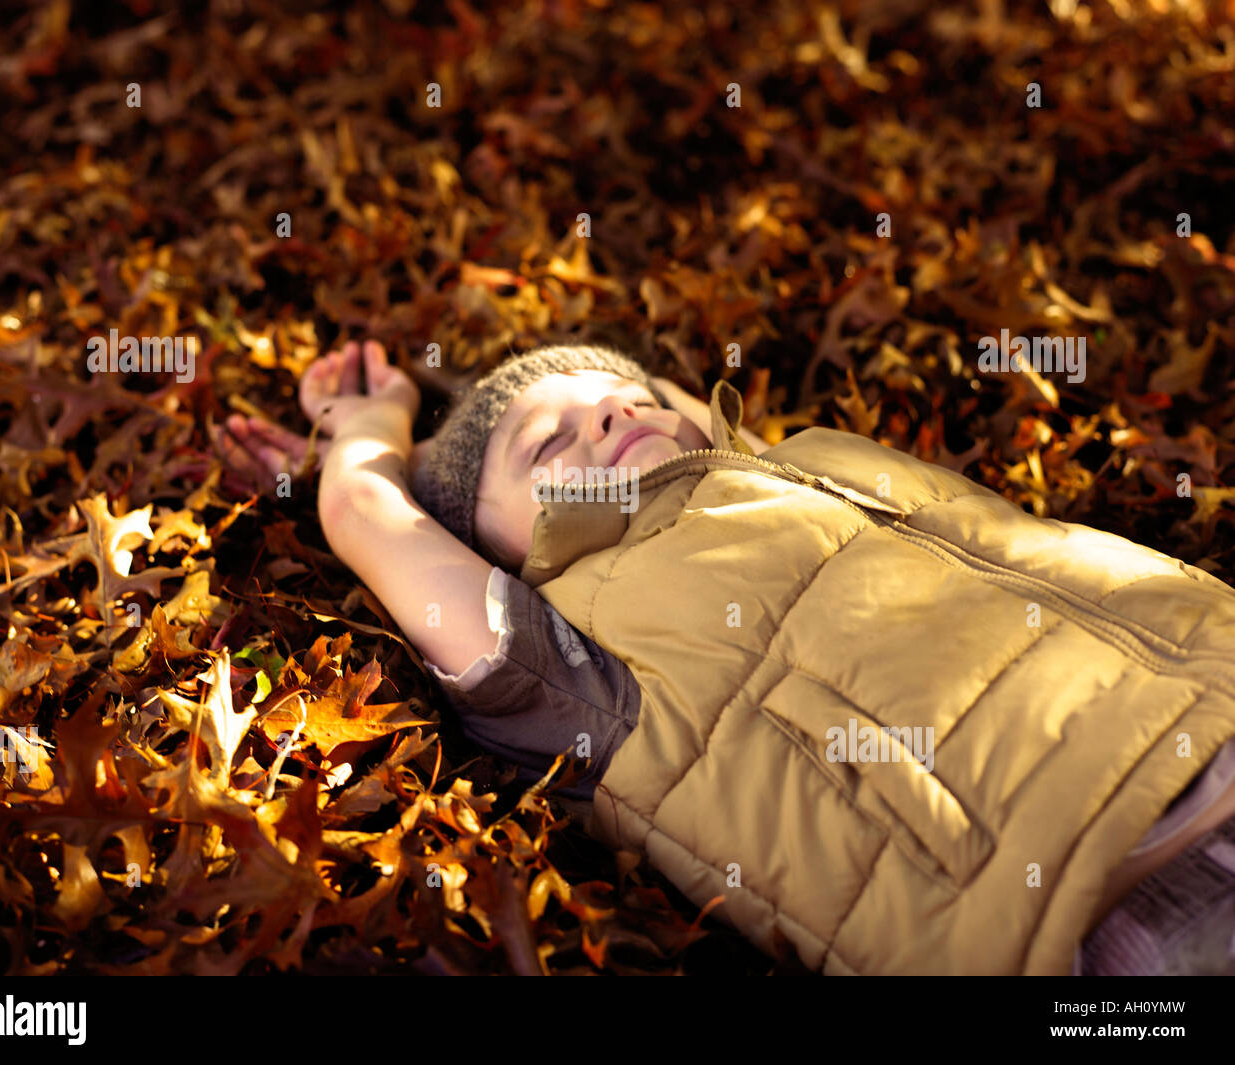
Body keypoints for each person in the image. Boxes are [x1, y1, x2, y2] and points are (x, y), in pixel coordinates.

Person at [219, 338, 1235, 975]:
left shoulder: (791, 466)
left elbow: (666, 406)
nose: (610, 414)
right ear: (493, 552)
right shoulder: (569, 666)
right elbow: (367, 513)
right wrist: (366, 433)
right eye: (547, 445)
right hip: (1098, 888)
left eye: (617, 394)